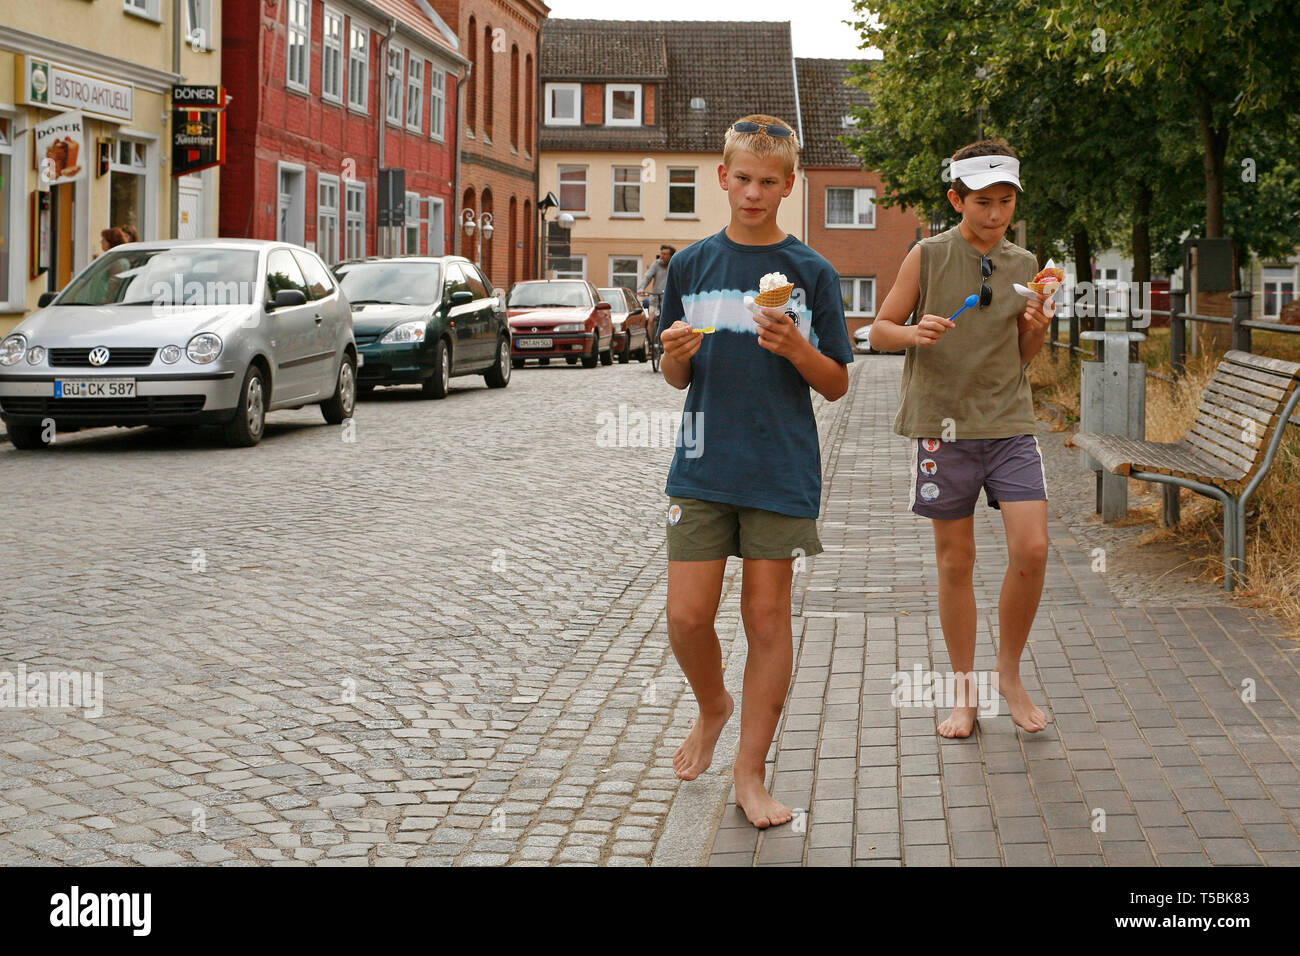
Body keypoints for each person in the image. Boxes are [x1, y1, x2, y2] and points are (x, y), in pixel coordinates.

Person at [657, 115, 852, 828]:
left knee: (766, 617)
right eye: (743, 178)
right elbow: (676, 375)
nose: (753, 192)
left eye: (769, 182)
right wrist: (675, 351)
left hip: (779, 464)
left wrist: (797, 348)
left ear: (789, 185)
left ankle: (750, 772)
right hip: (703, 464)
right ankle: (713, 703)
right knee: (686, 616)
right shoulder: (690, 265)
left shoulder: (812, 273)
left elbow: (835, 384)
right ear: (722, 177)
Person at [867, 139, 1053, 739]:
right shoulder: (927, 255)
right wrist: (912, 330)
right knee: (956, 561)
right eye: (982, 202)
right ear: (956, 199)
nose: (995, 214)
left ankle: (1009, 673)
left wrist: (1038, 330)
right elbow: (877, 332)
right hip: (942, 426)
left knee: (1032, 549)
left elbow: (1022, 358)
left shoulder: (1026, 267)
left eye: (1005, 202)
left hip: (1008, 423)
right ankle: (965, 692)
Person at [638, 245, 675, 317]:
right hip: (655, 299)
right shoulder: (656, 264)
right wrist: (641, 288)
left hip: (669, 299)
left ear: (671, 256)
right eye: (661, 253)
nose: (662, 256)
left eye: (664, 254)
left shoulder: (674, 266)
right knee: (651, 320)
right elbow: (647, 277)